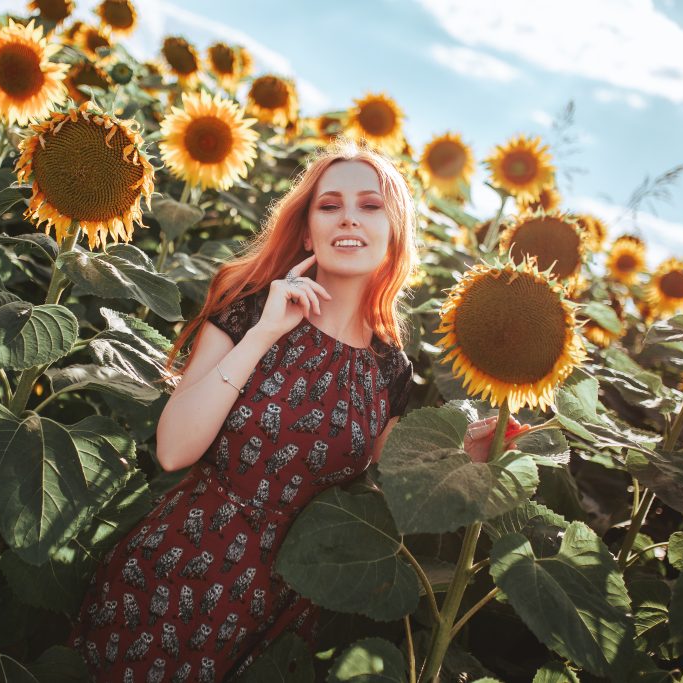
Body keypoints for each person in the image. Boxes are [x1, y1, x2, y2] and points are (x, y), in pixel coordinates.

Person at [71, 137, 452, 682]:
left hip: (284, 613)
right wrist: (266, 332)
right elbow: (174, 449)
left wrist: (467, 453)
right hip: (179, 575)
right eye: (330, 206)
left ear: (395, 232)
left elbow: (393, 476)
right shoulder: (249, 307)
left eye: (370, 206)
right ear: (306, 229)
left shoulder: (391, 369)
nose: (349, 219)